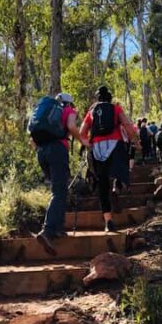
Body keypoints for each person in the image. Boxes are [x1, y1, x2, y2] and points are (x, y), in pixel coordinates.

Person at [79, 86, 141, 232]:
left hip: (97, 149)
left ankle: (108, 221)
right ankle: (117, 187)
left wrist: (89, 144)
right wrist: (134, 141)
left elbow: (82, 132)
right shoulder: (116, 108)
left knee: (102, 184)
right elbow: (126, 124)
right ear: (110, 97)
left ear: (98, 98)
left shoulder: (92, 111)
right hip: (115, 145)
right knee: (121, 169)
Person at [34, 93, 89, 255]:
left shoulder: (45, 112)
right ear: (69, 103)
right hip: (57, 150)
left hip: (41, 151)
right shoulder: (68, 111)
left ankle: (57, 228)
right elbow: (72, 127)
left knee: (58, 190)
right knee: (59, 191)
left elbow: (32, 139)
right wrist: (83, 141)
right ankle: (47, 230)